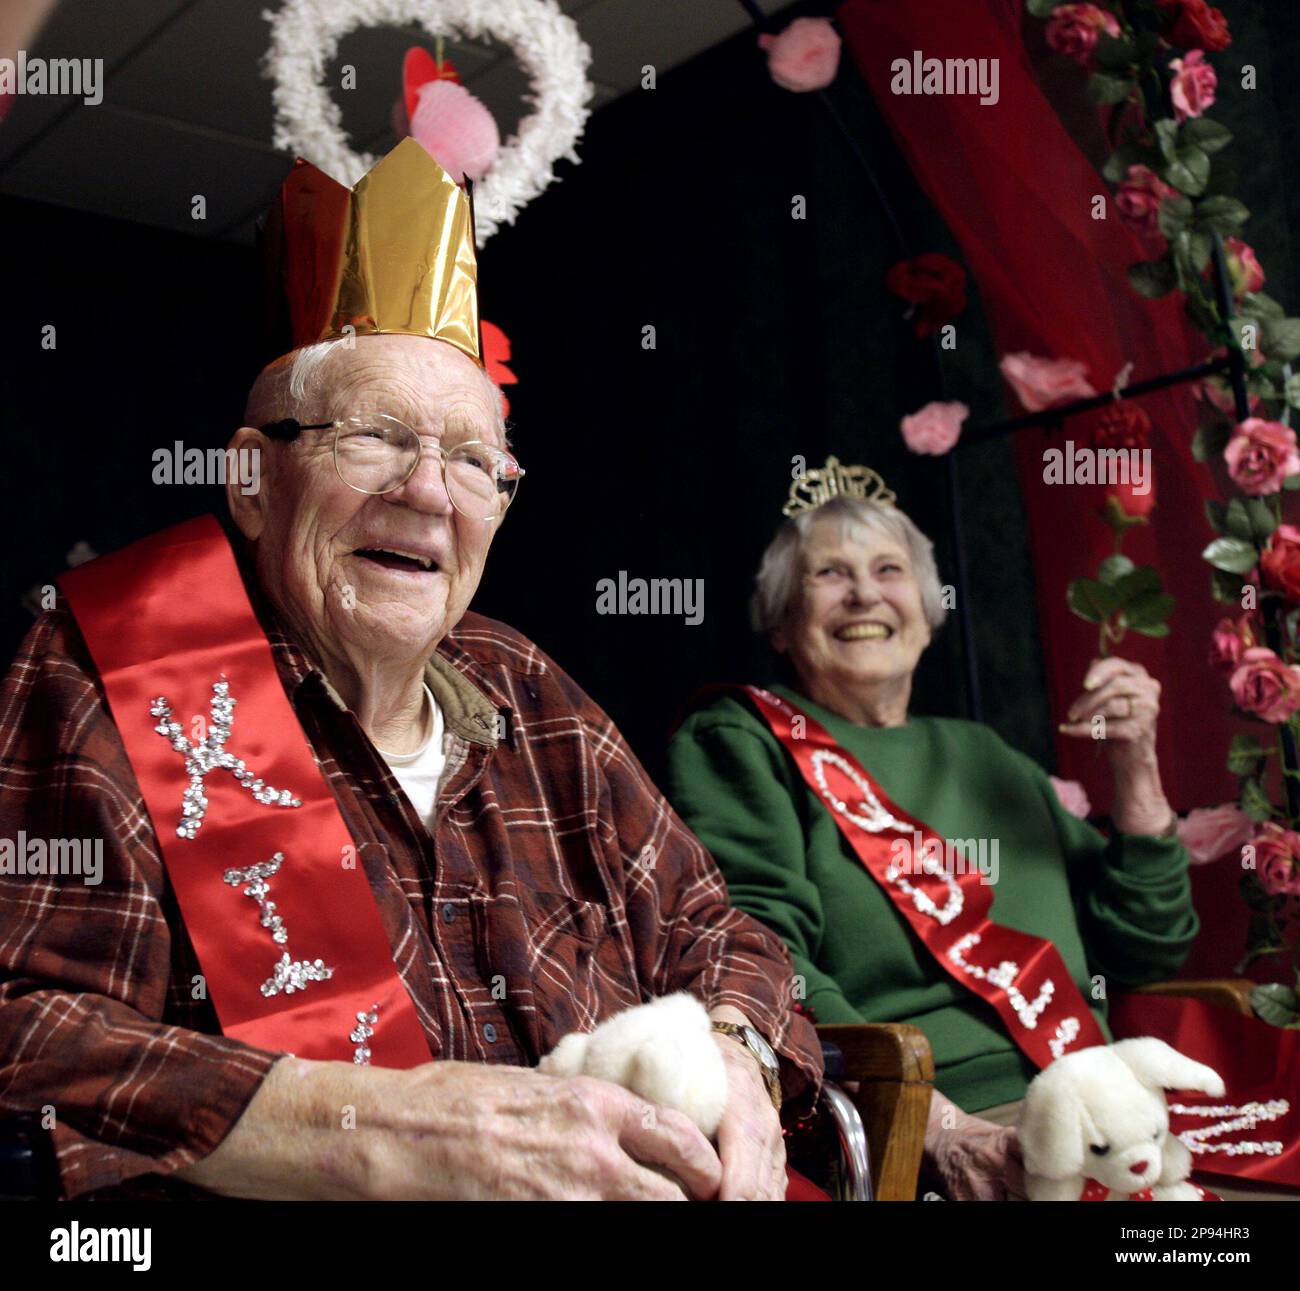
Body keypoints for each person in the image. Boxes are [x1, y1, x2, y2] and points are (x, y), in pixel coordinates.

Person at [0, 139, 820, 1202]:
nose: (429, 493)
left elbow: (720, 930)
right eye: (376, 436)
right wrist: (382, 1130)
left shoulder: (529, 689)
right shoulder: (114, 663)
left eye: (475, 461)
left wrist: (738, 1053)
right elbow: (27, 1027)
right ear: (252, 479)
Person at [666, 460, 1197, 1200]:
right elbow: (753, 954)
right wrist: (933, 1129)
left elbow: (1149, 944)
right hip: (945, 1120)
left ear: (926, 607)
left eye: (889, 569)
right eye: (829, 573)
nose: (864, 593)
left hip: (1105, 1116)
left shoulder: (985, 753)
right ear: (782, 621)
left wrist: (1136, 766)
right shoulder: (738, 739)